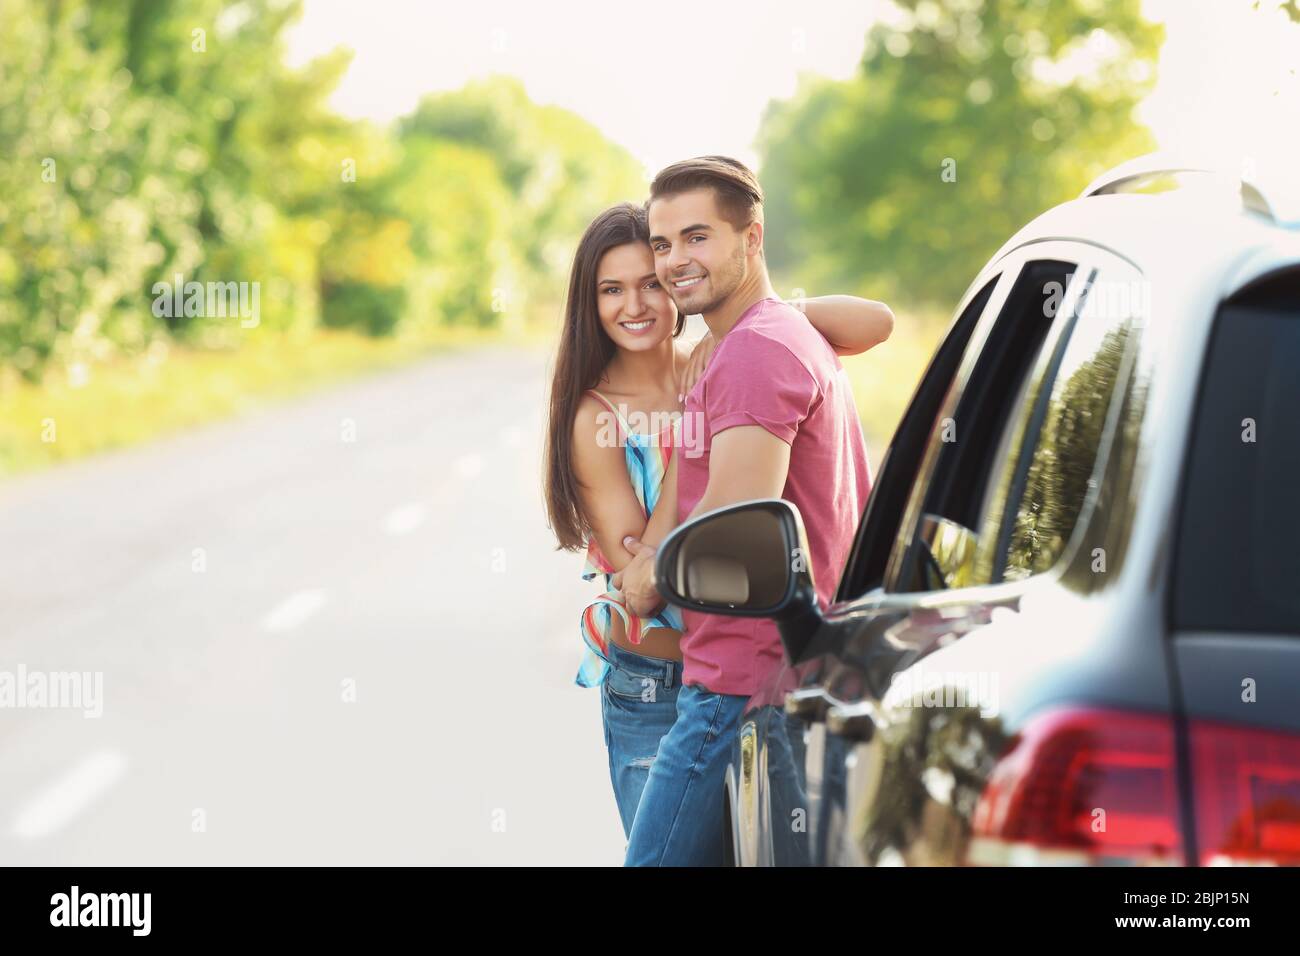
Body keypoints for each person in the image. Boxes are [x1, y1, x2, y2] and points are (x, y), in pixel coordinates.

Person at [543, 200, 892, 842]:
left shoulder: (732, 355)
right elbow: (644, 578)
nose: (634, 305)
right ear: (589, 304)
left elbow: (876, 322)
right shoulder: (596, 418)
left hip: (749, 673)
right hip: (659, 682)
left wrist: (762, 318)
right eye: (611, 290)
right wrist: (696, 430)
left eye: (650, 283)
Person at [616, 156, 877, 866]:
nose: (675, 260)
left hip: (740, 681)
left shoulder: (755, 352)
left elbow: (733, 527)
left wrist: (650, 576)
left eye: (697, 237)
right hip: (778, 672)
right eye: (663, 243)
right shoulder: (769, 335)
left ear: (752, 237)